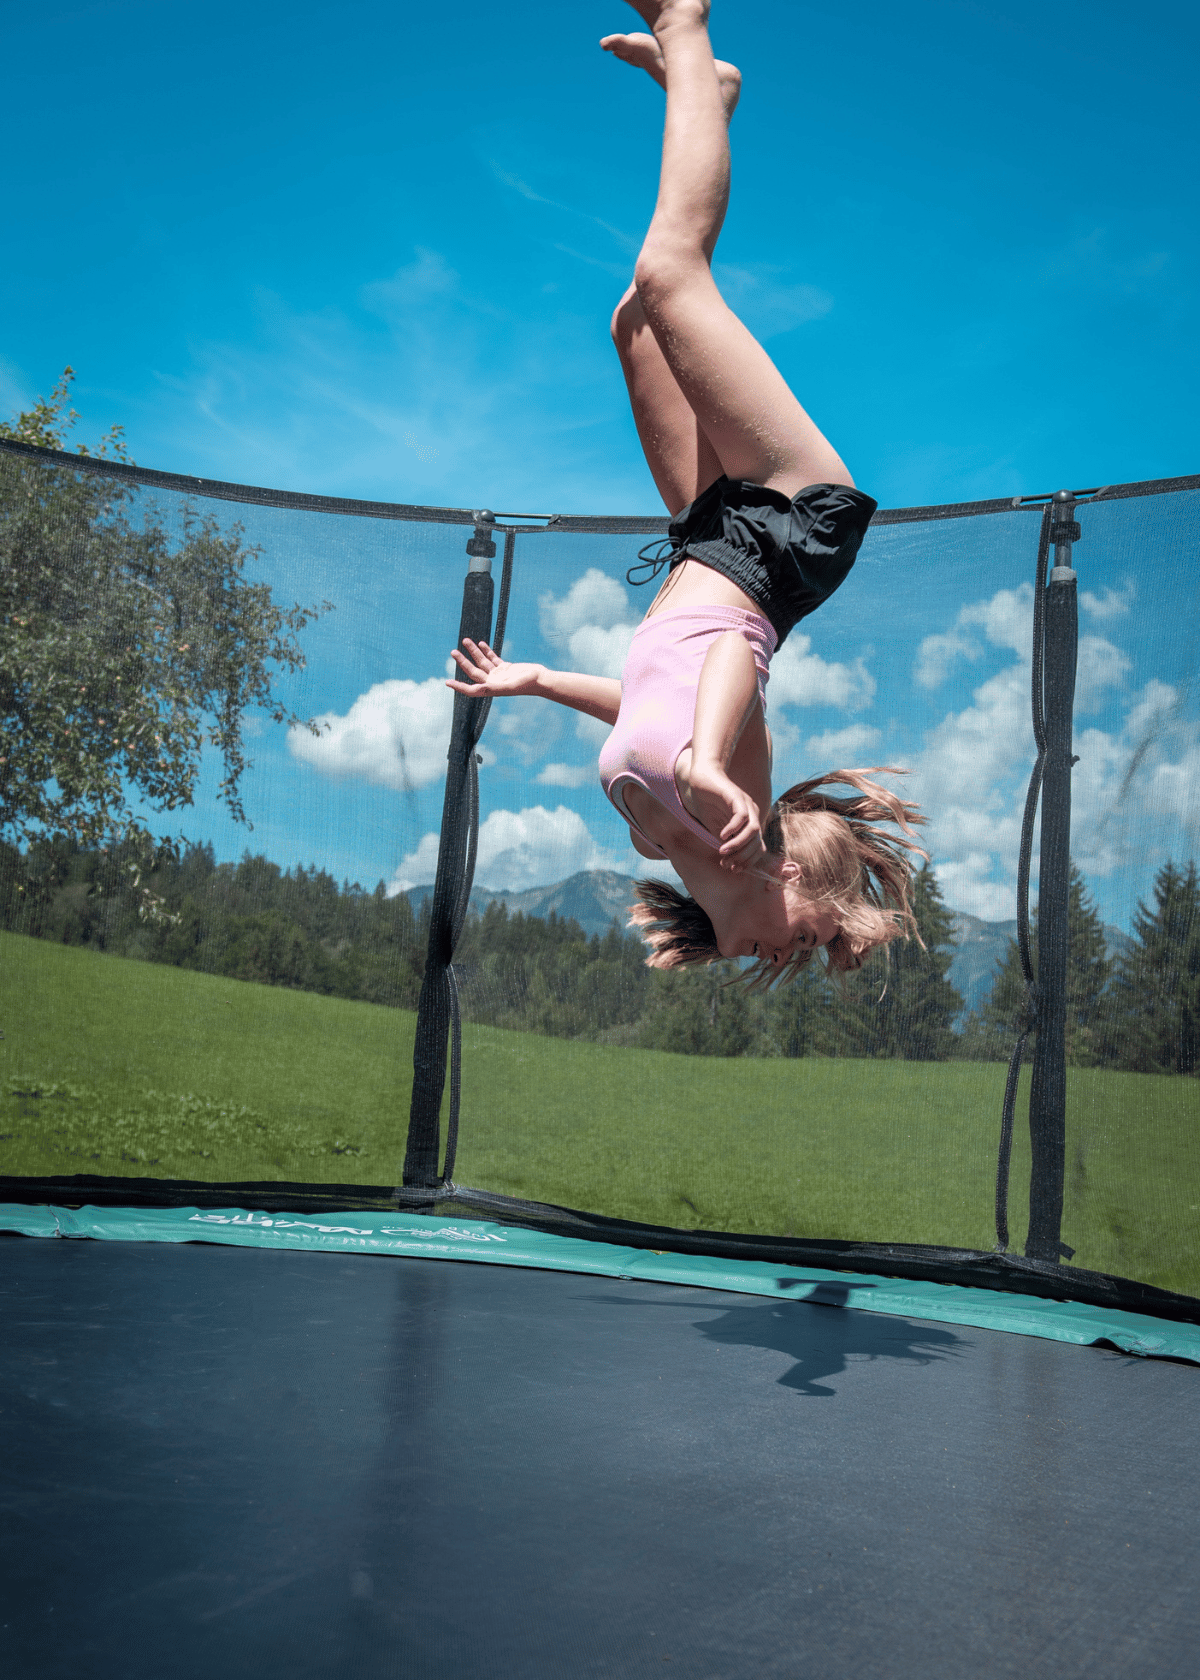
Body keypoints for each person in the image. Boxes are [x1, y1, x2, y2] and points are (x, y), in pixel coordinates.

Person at [448, 0, 925, 985]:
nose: (793, 952)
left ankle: (703, 100)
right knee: (669, 275)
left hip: (707, 540)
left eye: (810, 952)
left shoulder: (666, 842)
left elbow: (650, 699)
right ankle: (684, 21)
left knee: (634, 323)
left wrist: (536, 681)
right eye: (820, 932)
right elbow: (728, 657)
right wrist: (709, 763)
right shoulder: (732, 812)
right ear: (786, 866)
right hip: (787, 527)